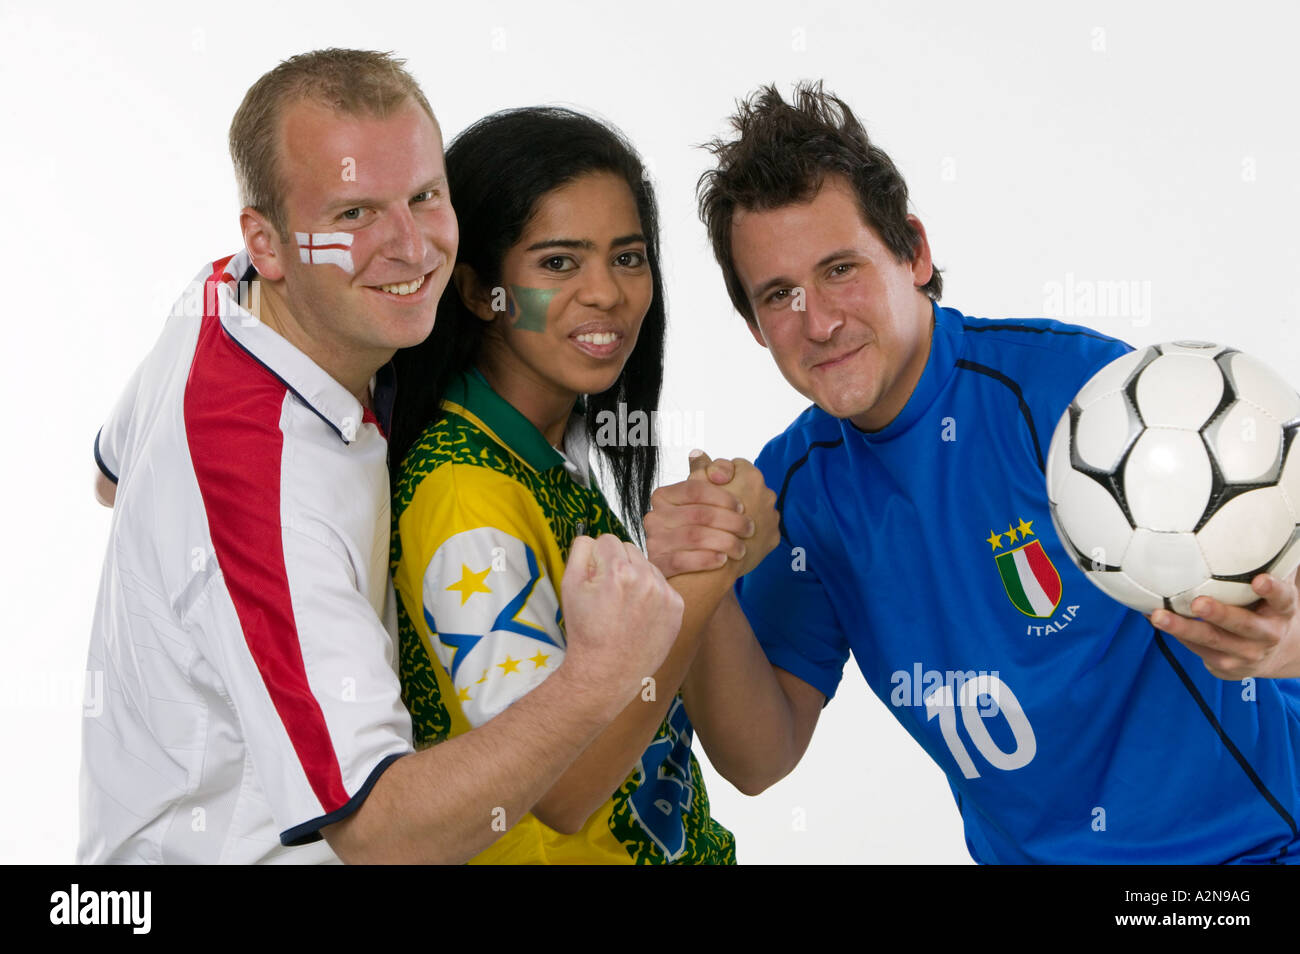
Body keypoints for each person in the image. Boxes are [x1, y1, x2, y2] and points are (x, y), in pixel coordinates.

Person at [646, 81, 1300, 863]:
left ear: (913, 252)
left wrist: (1282, 642)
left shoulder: (1073, 398)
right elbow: (759, 760)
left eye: (840, 269)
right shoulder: (794, 490)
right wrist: (705, 579)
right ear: (753, 325)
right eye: (779, 295)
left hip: (1247, 850)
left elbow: (1269, 572)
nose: (817, 322)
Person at [82, 49, 687, 864]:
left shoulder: (219, 293)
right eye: (354, 214)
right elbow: (381, 835)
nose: (410, 248)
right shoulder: (272, 496)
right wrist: (602, 671)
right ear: (267, 241)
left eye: (424, 197)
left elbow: (109, 474)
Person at [388, 107, 777, 864]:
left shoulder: (541, 462)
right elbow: (556, 787)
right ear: (478, 291)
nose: (607, 293)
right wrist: (706, 571)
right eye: (559, 263)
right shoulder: (464, 496)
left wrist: (700, 556)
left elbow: (750, 760)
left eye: (628, 258)